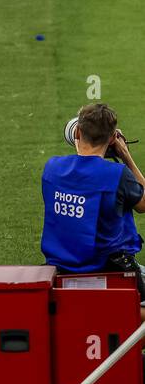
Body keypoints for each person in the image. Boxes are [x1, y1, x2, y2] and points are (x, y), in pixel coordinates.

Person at [41, 103, 145, 311]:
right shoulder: (117, 174)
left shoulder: (52, 168)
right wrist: (125, 154)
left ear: (78, 132)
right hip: (111, 268)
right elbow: (143, 206)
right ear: (112, 137)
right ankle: (119, 320)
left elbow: (84, 174)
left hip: (61, 268)